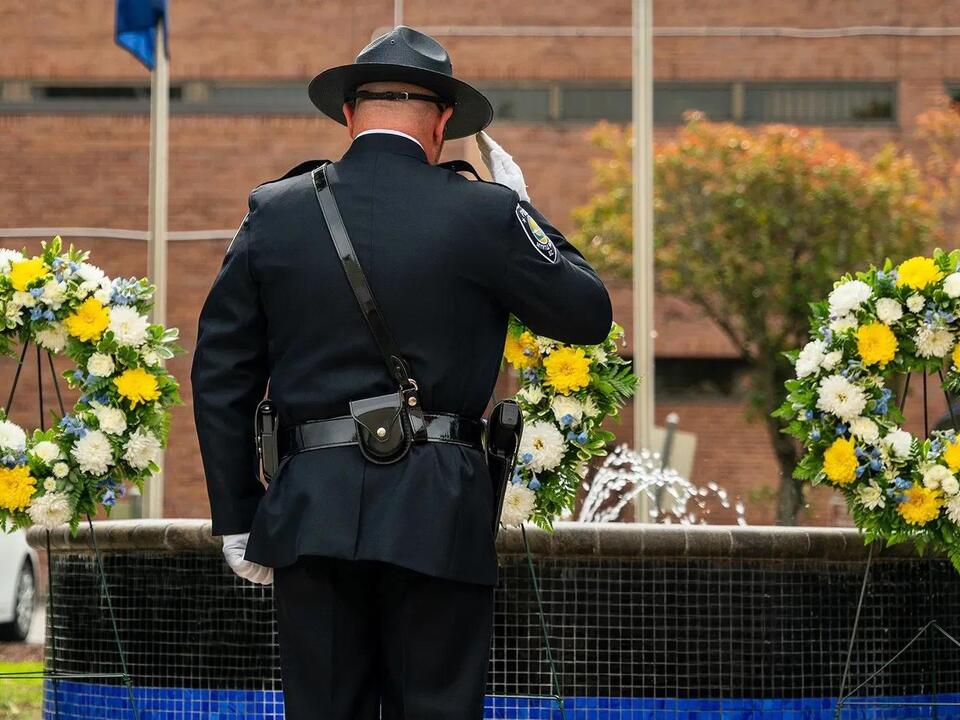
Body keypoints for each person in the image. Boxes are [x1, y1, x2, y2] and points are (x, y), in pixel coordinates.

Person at [190, 25, 612, 720]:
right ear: (443, 123)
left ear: (348, 113)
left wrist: (237, 516)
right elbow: (588, 313)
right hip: (438, 508)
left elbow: (220, 373)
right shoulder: (485, 212)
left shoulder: (275, 211)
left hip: (311, 513)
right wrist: (521, 207)